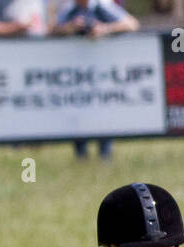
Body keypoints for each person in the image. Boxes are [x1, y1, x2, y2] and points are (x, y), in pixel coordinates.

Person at [52, 0, 139, 160]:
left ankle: (105, 154)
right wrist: (69, 28)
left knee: (103, 114)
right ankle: (81, 155)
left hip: (102, 73)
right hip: (77, 75)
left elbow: (132, 24)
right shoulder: (70, 10)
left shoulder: (103, 7)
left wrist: (104, 29)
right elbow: (52, 30)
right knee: (76, 114)